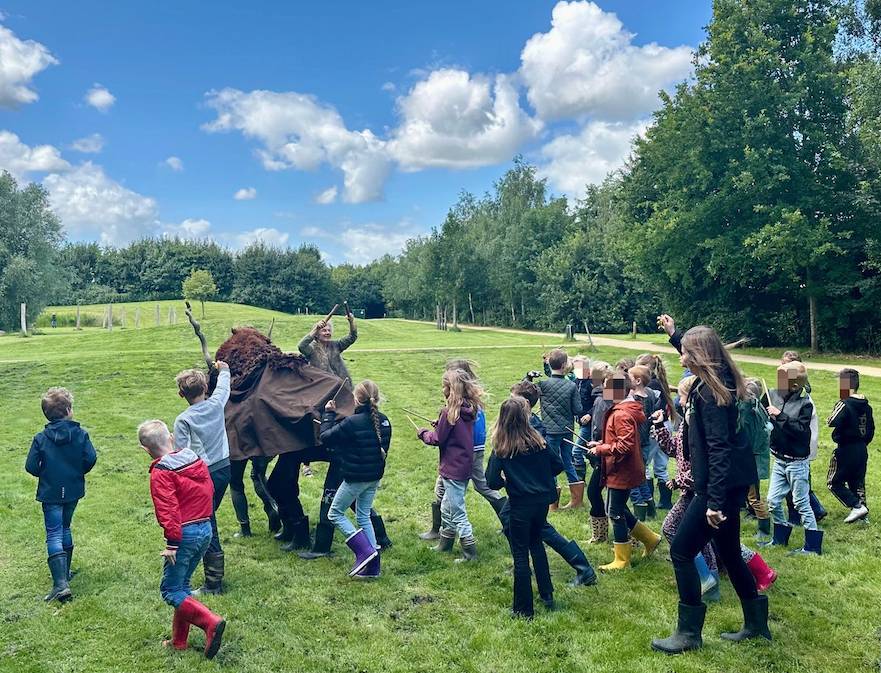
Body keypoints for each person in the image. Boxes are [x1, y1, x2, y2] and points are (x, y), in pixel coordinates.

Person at [651, 315, 769, 655]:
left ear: (700, 357)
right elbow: (693, 351)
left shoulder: (709, 394)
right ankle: (757, 625)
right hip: (731, 484)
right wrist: (676, 336)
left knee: (682, 550)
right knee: (729, 552)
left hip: (717, 488)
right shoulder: (723, 377)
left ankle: (687, 635)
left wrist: (713, 502)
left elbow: (718, 450)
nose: (681, 358)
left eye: (686, 353)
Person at [138, 420, 225, 660]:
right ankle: (179, 642)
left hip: (184, 535)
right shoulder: (194, 459)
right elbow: (209, 491)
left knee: (170, 590)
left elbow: (168, 510)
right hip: (205, 529)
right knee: (183, 586)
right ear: (172, 438)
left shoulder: (161, 472)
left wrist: (172, 544)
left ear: (145, 450)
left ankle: (210, 622)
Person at [496, 381, 598, 587]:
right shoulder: (528, 422)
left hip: (531, 491)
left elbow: (552, 462)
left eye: (513, 398)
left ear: (524, 403)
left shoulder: (531, 427)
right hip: (529, 489)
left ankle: (582, 567)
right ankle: (522, 563)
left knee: (539, 528)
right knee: (509, 519)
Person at [486, 397, 563, 619]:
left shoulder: (502, 448)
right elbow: (557, 465)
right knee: (536, 543)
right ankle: (546, 594)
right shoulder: (539, 443)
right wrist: (540, 478)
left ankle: (523, 609)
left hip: (520, 504)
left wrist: (509, 482)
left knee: (520, 555)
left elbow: (490, 481)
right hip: (541, 502)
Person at [419, 360, 507, 540]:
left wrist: (436, 431)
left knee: (476, 487)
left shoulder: (462, 405)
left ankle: (443, 531)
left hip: (464, 453)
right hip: (470, 450)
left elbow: (459, 431)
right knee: (447, 489)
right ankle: (441, 530)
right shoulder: (471, 402)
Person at [25, 387, 98, 602]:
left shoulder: (40, 438)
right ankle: (63, 575)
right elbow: (91, 458)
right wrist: (77, 472)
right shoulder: (81, 434)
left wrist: (46, 474)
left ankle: (61, 582)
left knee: (55, 532)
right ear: (68, 410)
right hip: (73, 490)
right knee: (65, 527)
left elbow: (31, 466)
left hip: (50, 492)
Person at [584, 372, 662, 571]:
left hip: (622, 469)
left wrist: (601, 449)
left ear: (624, 391)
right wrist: (601, 443)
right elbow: (618, 439)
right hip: (622, 468)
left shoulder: (622, 413)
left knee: (615, 512)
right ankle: (650, 538)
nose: (606, 392)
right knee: (617, 507)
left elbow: (625, 445)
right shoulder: (622, 409)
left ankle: (622, 560)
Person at [320, 380, 391, 578]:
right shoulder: (385, 421)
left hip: (355, 478)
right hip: (374, 477)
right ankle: (373, 567)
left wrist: (328, 414)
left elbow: (326, 437)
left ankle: (364, 551)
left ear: (356, 399)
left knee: (335, 514)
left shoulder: (352, 423)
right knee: (363, 515)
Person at [173, 362, 231, 595]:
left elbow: (182, 456)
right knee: (209, 518)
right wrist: (224, 370)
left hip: (203, 476)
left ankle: (213, 583)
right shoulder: (216, 404)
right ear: (206, 387)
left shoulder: (183, 420)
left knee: (208, 522)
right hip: (225, 470)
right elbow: (224, 388)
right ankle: (212, 578)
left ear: (180, 394)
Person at [417, 369, 482, 562]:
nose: (442, 389)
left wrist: (423, 433)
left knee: (457, 510)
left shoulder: (449, 412)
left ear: (450, 389)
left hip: (452, 469)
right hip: (462, 466)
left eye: (443, 386)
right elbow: (453, 432)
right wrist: (440, 423)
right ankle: (444, 545)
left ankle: (470, 554)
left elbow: (437, 439)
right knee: (446, 507)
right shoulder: (468, 409)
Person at [760, 362, 821, 554]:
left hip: (797, 462)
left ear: (794, 386)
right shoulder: (772, 394)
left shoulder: (805, 404)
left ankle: (813, 546)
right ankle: (780, 538)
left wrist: (781, 416)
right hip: (779, 458)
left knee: (801, 502)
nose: (777, 385)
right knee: (772, 500)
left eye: (782, 381)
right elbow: (761, 413)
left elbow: (802, 432)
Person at [299, 313, 358, 478]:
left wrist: (351, 322)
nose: (327, 332)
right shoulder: (311, 349)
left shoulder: (336, 345)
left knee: (345, 420)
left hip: (341, 390)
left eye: (328, 330)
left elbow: (352, 337)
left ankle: (341, 455)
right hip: (320, 392)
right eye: (323, 330)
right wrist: (313, 330)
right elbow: (301, 345)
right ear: (318, 333)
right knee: (313, 423)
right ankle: (306, 464)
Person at [525, 349, 583, 511]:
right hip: (567, 430)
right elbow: (578, 409)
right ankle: (577, 499)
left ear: (549, 365)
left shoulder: (542, 385)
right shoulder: (571, 385)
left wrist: (528, 377)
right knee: (567, 461)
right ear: (565, 366)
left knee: (551, 463)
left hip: (550, 431)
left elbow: (524, 391)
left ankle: (553, 503)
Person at [826, 368, 874, 523]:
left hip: (846, 448)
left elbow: (831, 421)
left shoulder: (844, 404)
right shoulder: (867, 406)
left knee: (834, 482)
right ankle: (862, 514)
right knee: (857, 480)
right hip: (861, 448)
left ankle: (855, 505)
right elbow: (870, 430)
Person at [635, 353, 678, 509]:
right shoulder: (659, 382)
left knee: (644, 463)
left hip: (654, 427)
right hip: (664, 425)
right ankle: (665, 501)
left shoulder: (649, 386)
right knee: (660, 466)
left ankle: (648, 499)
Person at [627, 365, 666, 519]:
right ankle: (650, 508)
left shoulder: (635, 400)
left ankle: (639, 510)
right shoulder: (650, 393)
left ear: (637, 381)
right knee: (641, 475)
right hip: (644, 442)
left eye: (629, 378)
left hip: (635, 443)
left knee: (631, 477)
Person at [585, 362, 614, 543]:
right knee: (612, 498)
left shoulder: (603, 400)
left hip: (605, 452)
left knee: (596, 493)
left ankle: (634, 535)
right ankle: (601, 534)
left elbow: (599, 427)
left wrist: (596, 447)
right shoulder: (607, 397)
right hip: (606, 449)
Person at [229, 456, 280, 538]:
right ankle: (272, 509)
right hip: (260, 446)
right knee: (258, 476)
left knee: (236, 484)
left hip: (237, 447)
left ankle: (245, 529)